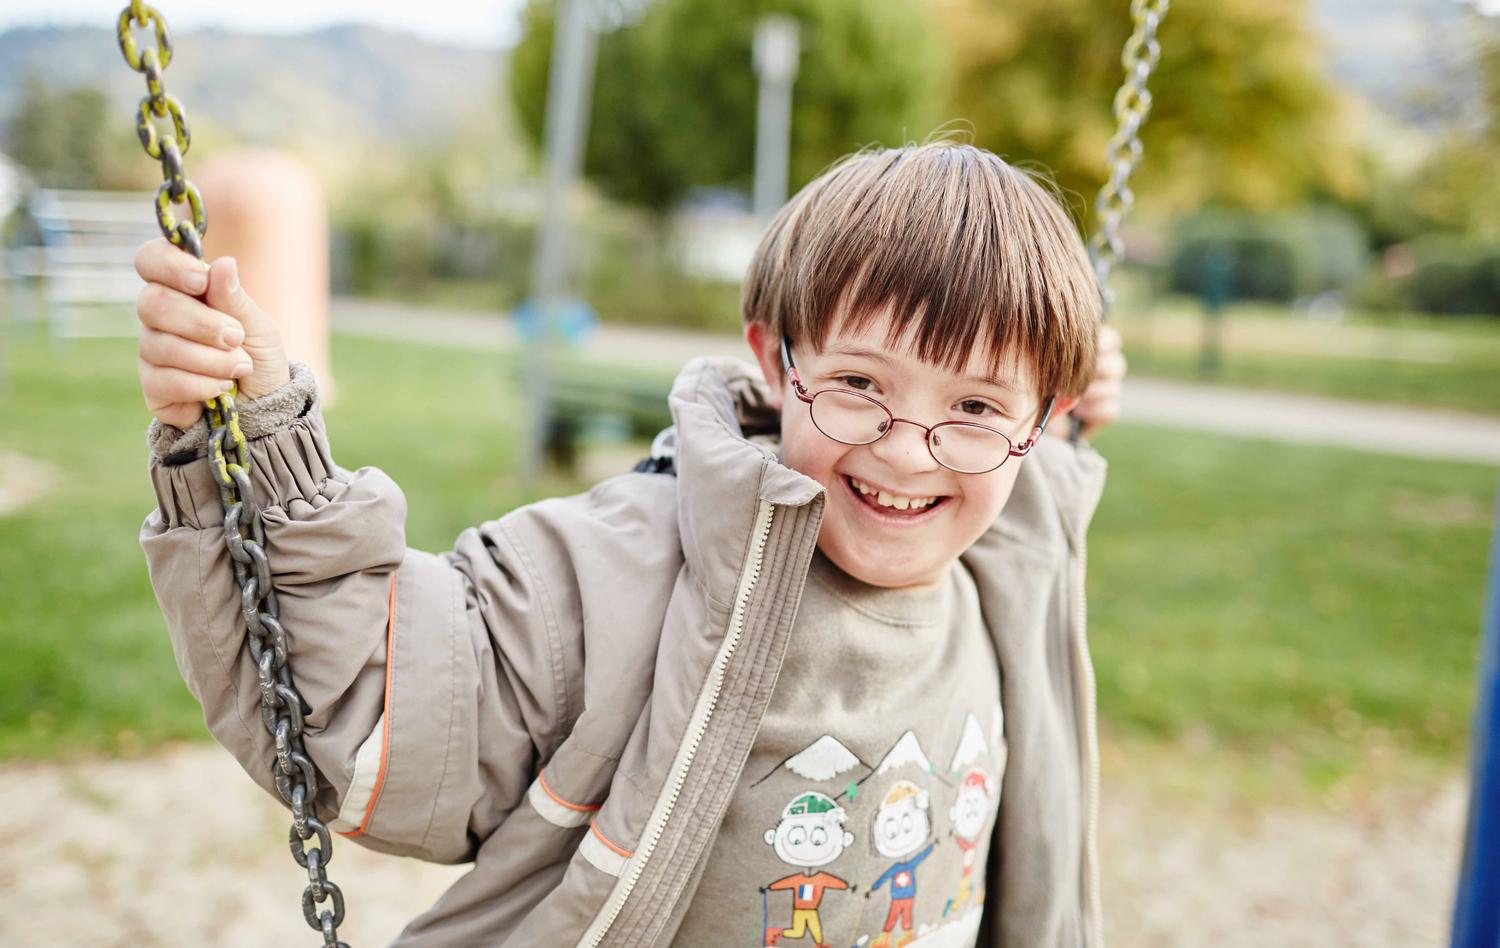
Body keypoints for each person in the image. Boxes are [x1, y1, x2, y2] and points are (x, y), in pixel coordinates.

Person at [135, 142, 1126, 947]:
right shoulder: (625, 572)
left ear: (1042, 419)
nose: (908, 450)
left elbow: (1039, 472)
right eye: (861, 385)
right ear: (775, 363)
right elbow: (367, 712)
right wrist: (264, 446)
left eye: (974, 405)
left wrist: (1054, 398)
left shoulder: (1003, 573)